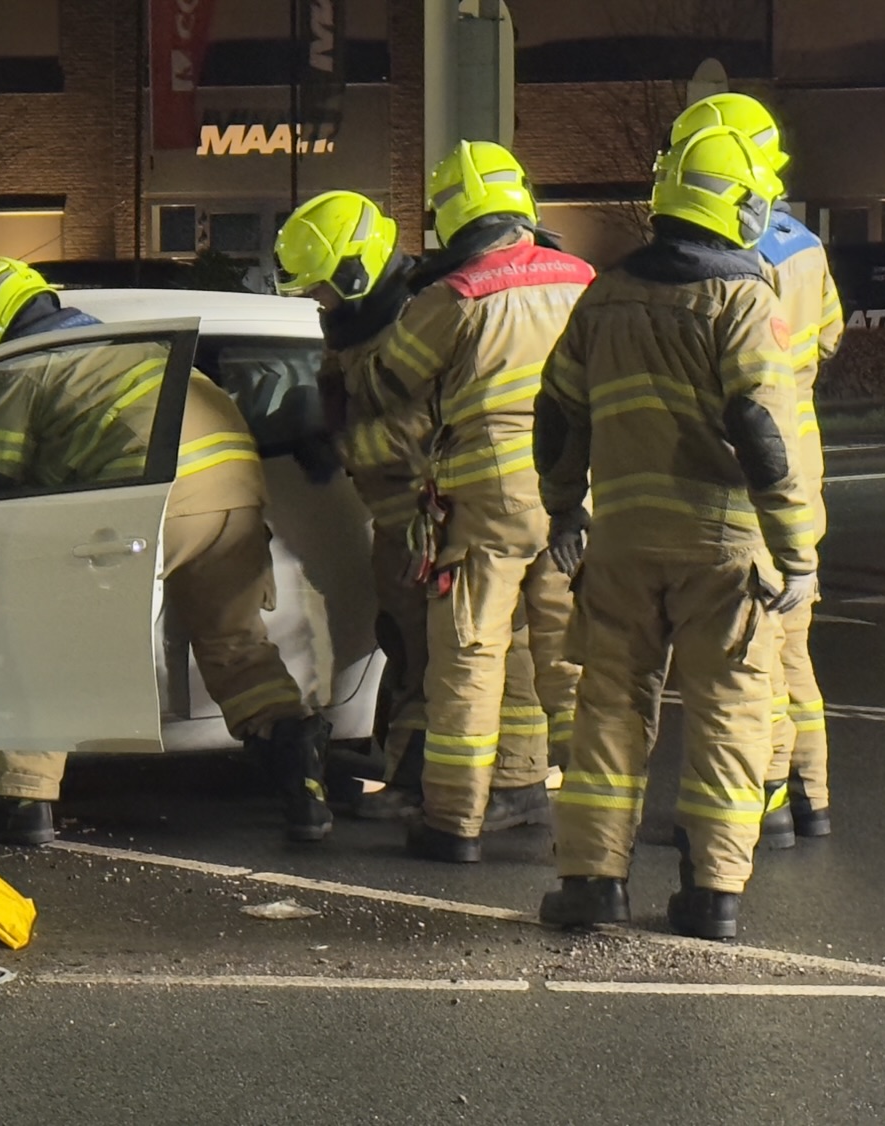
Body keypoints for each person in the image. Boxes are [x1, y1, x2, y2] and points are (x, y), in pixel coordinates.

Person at [0, 256, 334, 847]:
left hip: (151, 500)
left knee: (58, 647)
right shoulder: (129, 345)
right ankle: (300, 779)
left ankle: (23, 803)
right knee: (236, 647)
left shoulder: (23, 366)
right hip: (237, 495)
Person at [536, 124, 816, 939]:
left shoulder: (605, 295)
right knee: (730, 708)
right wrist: (795, 553)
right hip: (721, 550)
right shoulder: (743, 301)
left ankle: (592, 882)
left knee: (610, 709)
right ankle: (712, 895)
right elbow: (766, 437)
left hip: (621, 542)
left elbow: (557, 414)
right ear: (735, 205)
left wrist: (563, 509)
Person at [272, 191, 554, 828]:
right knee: (416, 650)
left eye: (321, 288)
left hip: (428, 511)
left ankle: (450, 785)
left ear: (354, 271)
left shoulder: (414, 318)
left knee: (441, 653)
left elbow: (419, 428)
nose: (319, 303)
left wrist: (340, 446)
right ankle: (473, 779)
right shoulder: (359, 321)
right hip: (401, 514)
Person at [357, 142, 592, 863]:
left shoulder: (457, 295)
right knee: (572, 659)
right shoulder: (583, 278)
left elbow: (388, 380)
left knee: (469, 652)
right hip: (576, 493)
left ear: (452, 216)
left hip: (486, 498)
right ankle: (601, 816)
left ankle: (452, 821)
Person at [668, 93, 843, 844]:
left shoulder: (737, 251)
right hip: (801, 455)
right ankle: (811, 794)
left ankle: (764, 790)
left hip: (750, 469)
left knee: (754, 645)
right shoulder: (803, 241)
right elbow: (829, 337)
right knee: (790, 640)